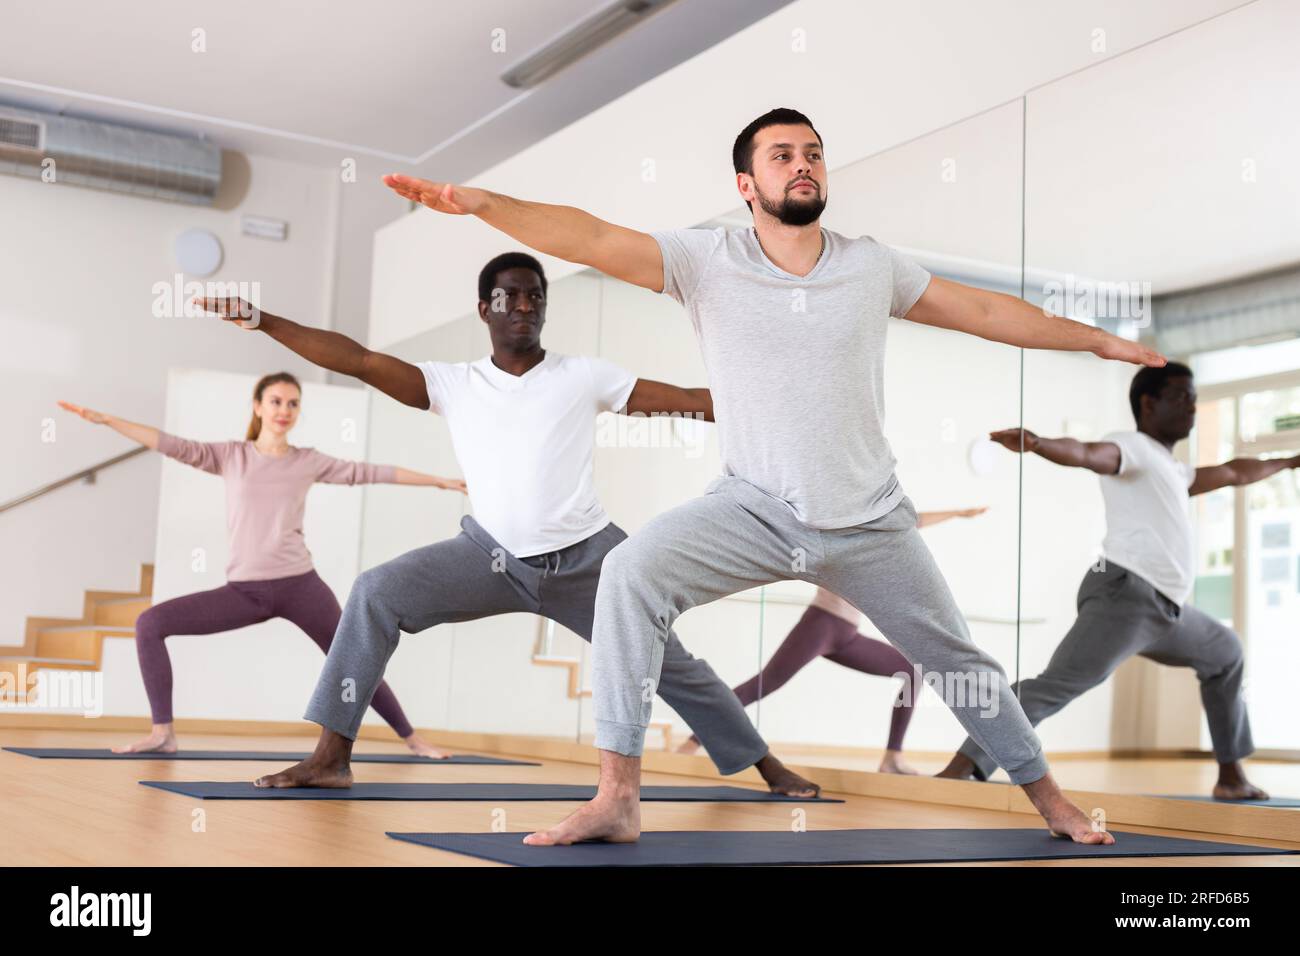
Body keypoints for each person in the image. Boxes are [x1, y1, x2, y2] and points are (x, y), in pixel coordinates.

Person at [380, 106, 1168, 847]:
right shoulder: (705, 260)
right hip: (751, 509)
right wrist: (485, 204)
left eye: (814, 154)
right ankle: (617, 797)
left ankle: (1052, 801)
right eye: (783, 155)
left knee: (961, 662)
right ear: (746, 185)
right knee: (629, 574)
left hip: (869, 518)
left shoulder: (872, 267)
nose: (804, 165)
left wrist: (1096, 341)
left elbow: (990, 314)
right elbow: (587, 235)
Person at [195, 252, 821, 797]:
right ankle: (330, 758)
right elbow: (356, 359)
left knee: (667, 660)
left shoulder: (584, 376)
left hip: (589, 562)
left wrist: (775, 407)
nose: (523, 305)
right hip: (487, 557)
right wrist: (263, 320)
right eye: (509, 296)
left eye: (534, 297)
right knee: (375, 593)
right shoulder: (453, 383)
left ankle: (764, 764)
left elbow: (687, 402)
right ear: (484, 309)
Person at [57, 373, 464, 756]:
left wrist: (440, 481)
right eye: (275, 401)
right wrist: (109, 420)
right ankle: (162, 733)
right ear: (257, 406)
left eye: (292, 403)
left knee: (354, 656)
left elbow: (368, 472)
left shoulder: (307, 460)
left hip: (301, 587)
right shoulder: (230, 456)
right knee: (149, 624)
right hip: (244, 591)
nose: (283, 409)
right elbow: (172, 445)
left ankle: (411, 739)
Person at [939, 363, 1288, 799]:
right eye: (1182, 396)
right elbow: (1088, 453)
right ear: (1148, 403)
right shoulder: (1132, 447)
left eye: (1195, 398)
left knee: (1225, 652)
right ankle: (964, 765)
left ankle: (1231, 778)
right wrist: (1040, 444)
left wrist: (1290, 461)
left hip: (1166, 611)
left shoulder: (1175, 471)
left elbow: (1236, 472)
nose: (1193, 406)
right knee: (1056, 685)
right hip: (1126, 595)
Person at [677, 508, 988, 774]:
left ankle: (892, 757)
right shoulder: (836, 531)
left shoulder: (879, 534)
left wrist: (959, 513)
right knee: (765, 684)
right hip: (821, 624)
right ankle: (693, 741)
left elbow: (913, 521)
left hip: (847, 634)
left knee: (911, 671)